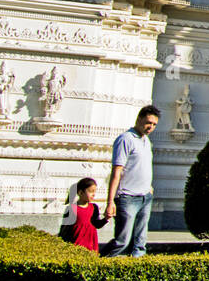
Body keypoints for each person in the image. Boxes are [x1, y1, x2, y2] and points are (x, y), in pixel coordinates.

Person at [101, 105, 159, 258]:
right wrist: (110, 202)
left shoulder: (146, 141)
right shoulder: (125, 139)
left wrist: (149, 187)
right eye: (148, 122)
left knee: (140, 243)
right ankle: (98, 263)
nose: (150, 127)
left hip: (145, 196)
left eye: (154, 124)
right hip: (127, 197)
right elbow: (116, 171)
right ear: (139, 119)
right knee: (122, 241)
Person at [59, 177, 109, 253]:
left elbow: (96, 224)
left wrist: (106, 218)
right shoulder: (71, 209)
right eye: (91, 191)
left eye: (94, 191)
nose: (93, 194)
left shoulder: (94, 207)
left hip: (91, 245)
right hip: (75, 245)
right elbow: (64, 230)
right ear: (80, 192)